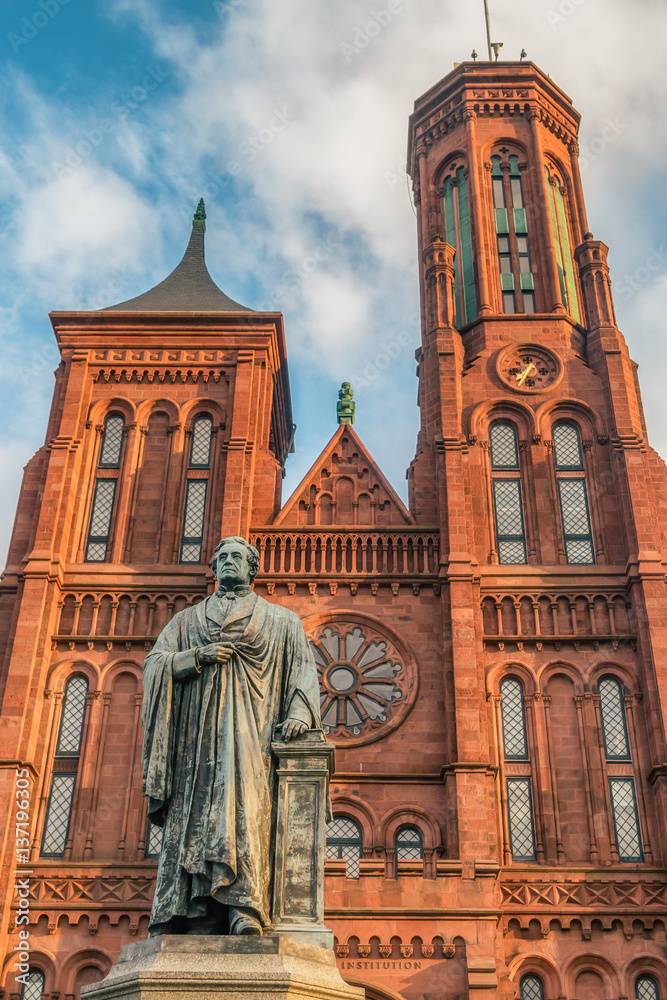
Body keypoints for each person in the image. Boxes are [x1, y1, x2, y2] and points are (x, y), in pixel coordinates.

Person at [141, 536, 322, 936]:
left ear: (252, 567)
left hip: (251, 744)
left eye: (237, 557)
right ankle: (195, 908)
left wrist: (297, 714)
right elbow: (153, 664)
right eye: (221, 557)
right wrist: (196, 657)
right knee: (193, 818)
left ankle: (245, 909)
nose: (228, 562)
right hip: (195, 745)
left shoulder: (281, 621)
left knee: (245, 816)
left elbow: (304, 677)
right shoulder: (186, 622)